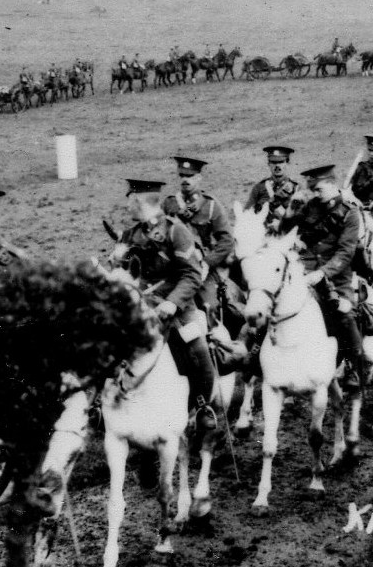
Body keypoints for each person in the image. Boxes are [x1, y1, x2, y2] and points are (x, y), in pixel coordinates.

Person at [113, 179, 223, 432]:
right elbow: (125, 273)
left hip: (176, 307)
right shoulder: (131, 235)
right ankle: (101, 404)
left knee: (197, 349)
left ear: (140, 202)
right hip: (140, 306)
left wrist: (172, 303)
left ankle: (202, 404)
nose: (127, 206)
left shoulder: (175, 230)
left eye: (130, 200)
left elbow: (192, 274)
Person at [280, 165, 366, 394]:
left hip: (335, 276)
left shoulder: (350, 212)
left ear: (331, 184)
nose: (315, 194)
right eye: (313, 190)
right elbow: (286, 232)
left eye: (318, 189)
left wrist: (322, 273)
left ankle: (353, 366)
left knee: (345, 313)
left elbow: (345, 253)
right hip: (304, 270)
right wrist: (290, 213)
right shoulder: (311, 207)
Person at [174, 157, 237, 330]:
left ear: (199, 178)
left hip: (203, 270)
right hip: (176, 268)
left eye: (190, 176)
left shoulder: (210, 206)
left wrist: (207, 262)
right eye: (181, 176)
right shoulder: (170, 204)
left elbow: (227, 241)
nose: (185, 180)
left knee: (213, 307)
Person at [246, 145, 302, 233]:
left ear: (287, 163)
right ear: (268, 164)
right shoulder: (259, 188)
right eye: (273, 162)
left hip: (287, 235)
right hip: (263, 235)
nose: (277, 166)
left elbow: (301, 217)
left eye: (281, 162)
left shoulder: (296, 188)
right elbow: (247, 214)